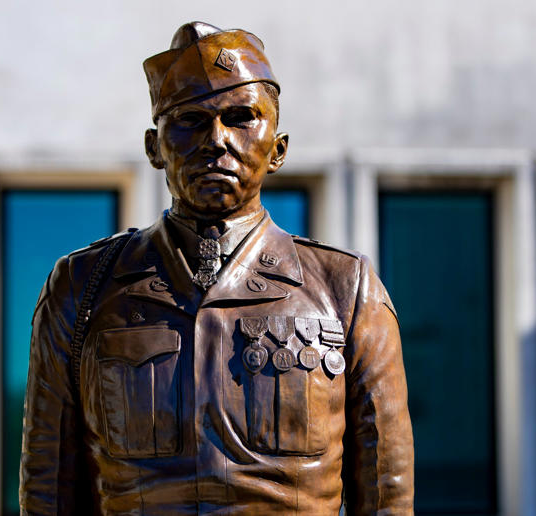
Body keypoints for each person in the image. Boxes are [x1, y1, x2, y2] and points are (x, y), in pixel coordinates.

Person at [20, 21, 414, 515]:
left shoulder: (345, 289)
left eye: (241, 117)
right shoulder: (83, 288)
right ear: (154, 146)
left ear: (279, 149)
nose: (216, 140)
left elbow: (387, 496)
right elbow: (48, 489)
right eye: (188, 120)